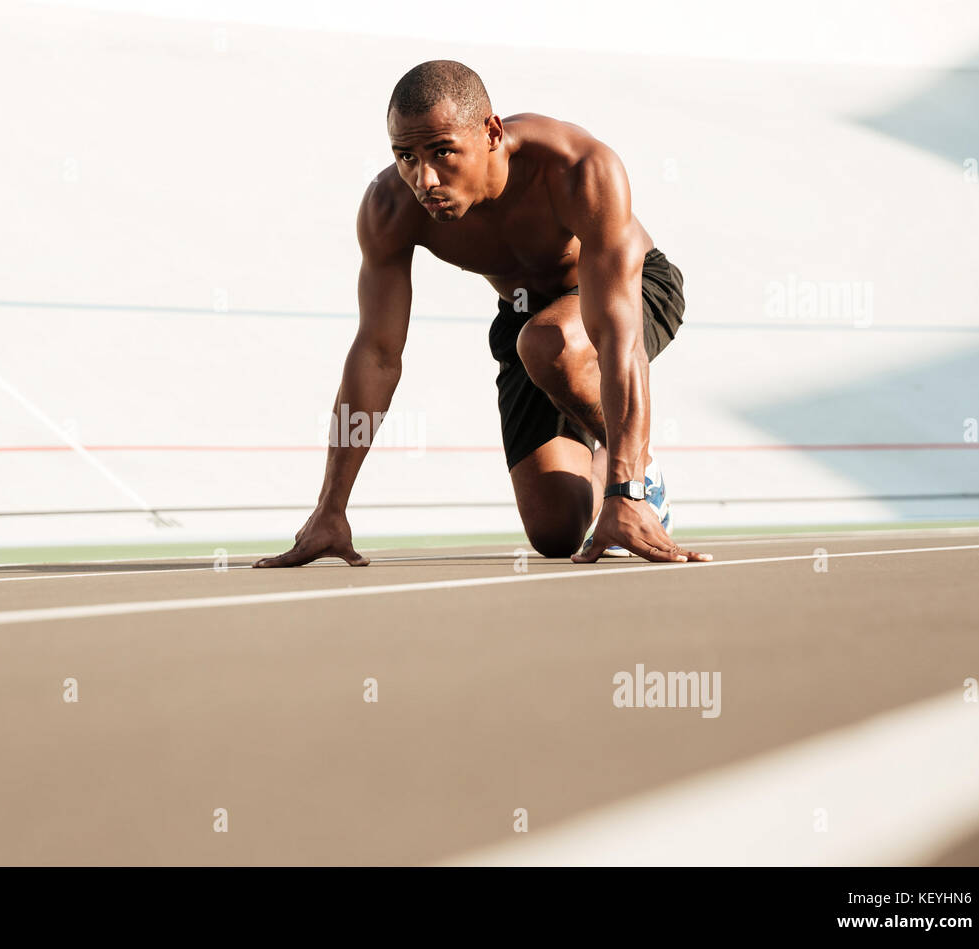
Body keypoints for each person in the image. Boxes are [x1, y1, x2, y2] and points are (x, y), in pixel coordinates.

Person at [255, 60, 713, 569]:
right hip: (528, 320)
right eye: (404, 155)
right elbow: (377, 355)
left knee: (549, 343)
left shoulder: (578, 168)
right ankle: (618, 467)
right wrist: (331, 506)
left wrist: (626, 488)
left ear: (492, 132)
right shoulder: (389, 207)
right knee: (555, 533)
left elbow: (617, 337)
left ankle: (634, 481)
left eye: (443, 152)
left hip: (631, 289)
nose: (423, 178)